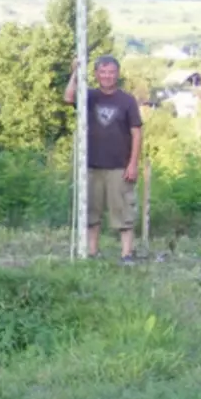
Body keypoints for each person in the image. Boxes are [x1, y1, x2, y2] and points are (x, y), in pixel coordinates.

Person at [63, 54, 143, 262]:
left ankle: (126, 254)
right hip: (91, 165)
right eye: (103, 72)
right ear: (97, 74)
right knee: (91, 211)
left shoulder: (127, 101)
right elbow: (69, 97)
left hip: (119, 166)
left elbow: (136, 133)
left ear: (117, 74)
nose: (107, 76)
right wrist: (75, 73)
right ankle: (92, 251)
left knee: (123, 211)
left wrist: (133, 163)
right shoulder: (89, 97)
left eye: (111, 72)